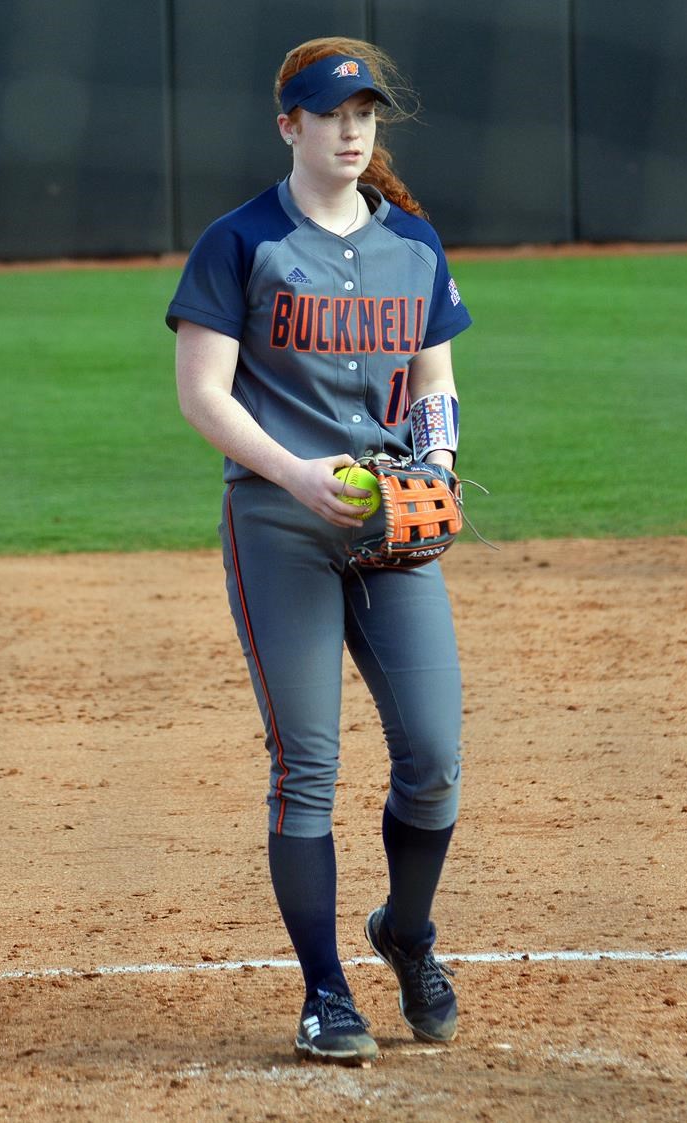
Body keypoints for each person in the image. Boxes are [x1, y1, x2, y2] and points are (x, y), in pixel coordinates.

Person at [167, 37, 471, 1067]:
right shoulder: (240, 241)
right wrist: (296, 473)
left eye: (364, 114)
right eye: (330, 113)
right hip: (279, 524)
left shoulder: (414, 244)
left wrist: (434, 456)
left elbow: (433, 377)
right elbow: (202, 394)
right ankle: (324, 993)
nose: (350, 130)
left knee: (431, 761)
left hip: (390, 524)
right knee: (308, 766)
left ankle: (407, 932)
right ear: (286, 123)